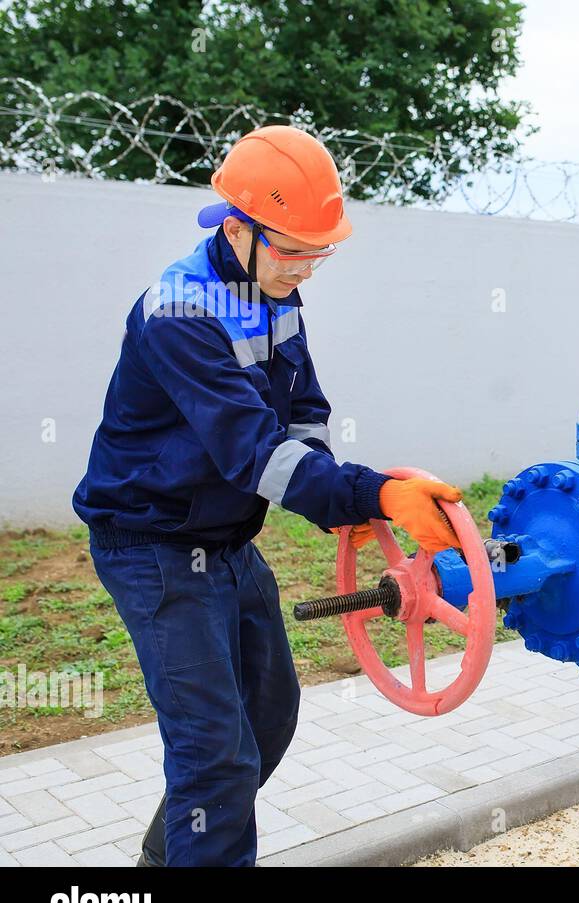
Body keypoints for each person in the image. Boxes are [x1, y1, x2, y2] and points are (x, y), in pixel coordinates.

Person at [73, 126, 463, 865]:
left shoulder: (272, 289)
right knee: (215, 753)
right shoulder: (179, 314)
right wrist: (372, 496)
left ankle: (166, 859)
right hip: (153, 545)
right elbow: (254, 450)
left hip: (222, 541)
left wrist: (343, 499)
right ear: (235, 228)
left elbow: (303, 414)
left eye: (320, 251)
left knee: (268, 716)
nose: (308, 269)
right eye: (294, 248)